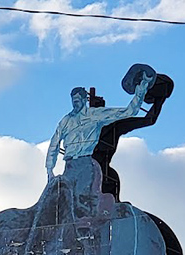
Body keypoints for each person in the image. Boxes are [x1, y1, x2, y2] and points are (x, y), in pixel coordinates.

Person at [45, 74, 154, 218]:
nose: (75, 103)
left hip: (86, 163)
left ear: (84, 100)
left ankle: (86, 226)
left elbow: (128, 112)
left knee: (83, 198)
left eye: (78, 100)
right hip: (69, 165)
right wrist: (49, 169)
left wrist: (141, 89)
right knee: (62, 201)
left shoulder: (96, 114)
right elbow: (54, 143)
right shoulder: (66, 121)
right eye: (73, 100)